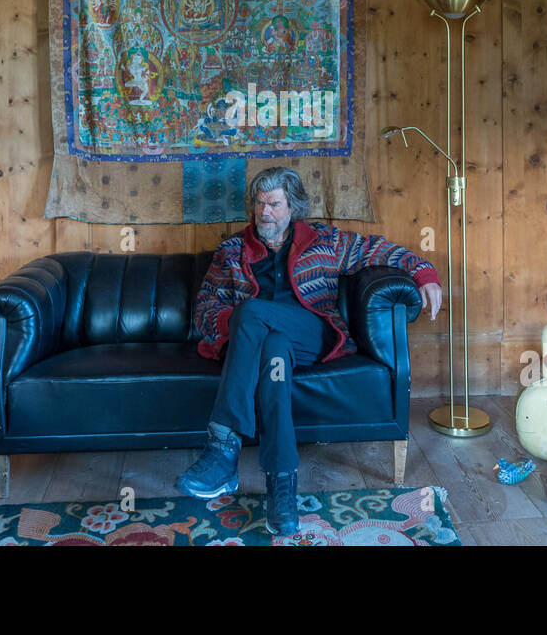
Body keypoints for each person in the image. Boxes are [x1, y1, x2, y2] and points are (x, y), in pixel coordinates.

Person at [178, 166, 442, 536]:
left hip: (312, 334)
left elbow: (380, 249)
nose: (264, 211)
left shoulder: (324, 241)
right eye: (259, 203)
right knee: (271, 351)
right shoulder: (232, 251)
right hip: (269, 346)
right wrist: (237, 329)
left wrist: (425, 273)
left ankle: (224, 446)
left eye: (274, 203)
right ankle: (281, 488)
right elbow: (206, 306)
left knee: (252, 311)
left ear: (293, 207)